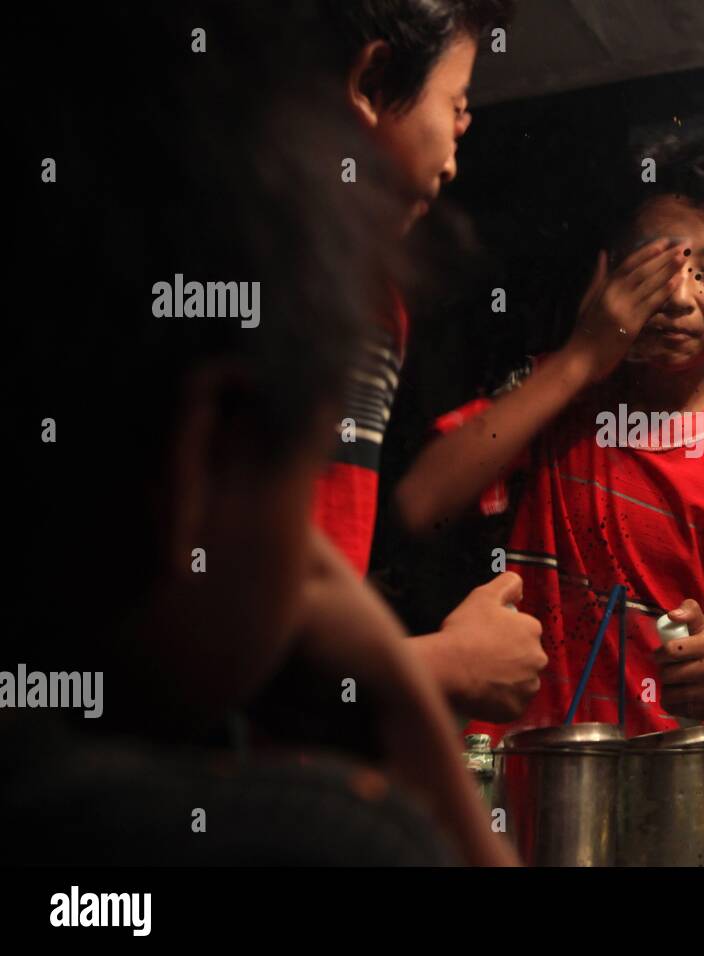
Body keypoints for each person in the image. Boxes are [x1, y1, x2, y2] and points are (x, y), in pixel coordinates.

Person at [7, 0, 512, 866]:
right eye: (456, 99)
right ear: (204, 458)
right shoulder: (314, 835)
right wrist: (416, 685)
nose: (463, 131)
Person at [395, 136, 704, 847]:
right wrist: (586, 355)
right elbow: (420, 501)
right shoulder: (546, 396)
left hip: (693, 811)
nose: (677, 296)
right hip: (529, 794)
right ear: (607, 272)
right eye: (655, 263)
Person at [304, 0, 548, 723]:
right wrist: (443, 664)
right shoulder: (331, 288)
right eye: (458, 99)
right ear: (375, 83)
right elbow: (232, 639)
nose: (465, 125)